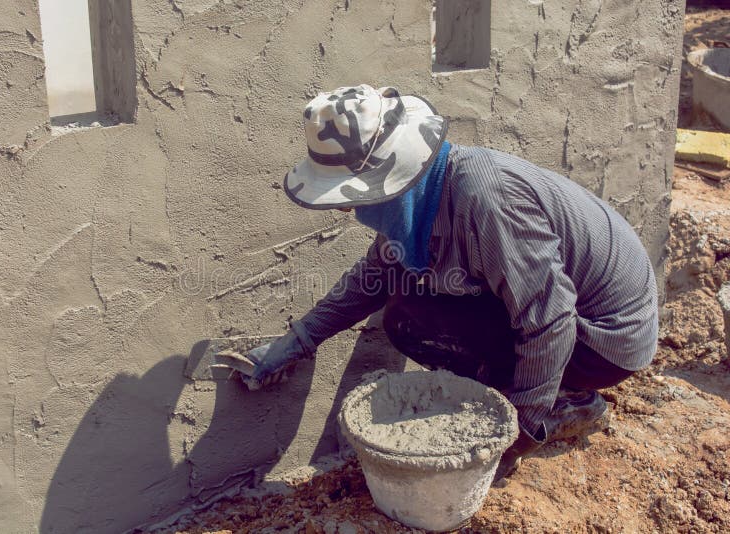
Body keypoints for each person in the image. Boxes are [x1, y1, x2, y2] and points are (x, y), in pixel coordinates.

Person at [238, 84, 658, 481]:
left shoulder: (487, 201)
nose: (347, 210)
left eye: (349, 197)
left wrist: (517, 437)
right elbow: (377, 274)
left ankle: (563, 400)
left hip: (604, 340)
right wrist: (300, 339)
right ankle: (537, 389)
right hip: (564, 310)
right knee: (407, 313)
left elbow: (551, 319)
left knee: (416, 317)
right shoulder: (420, 198)